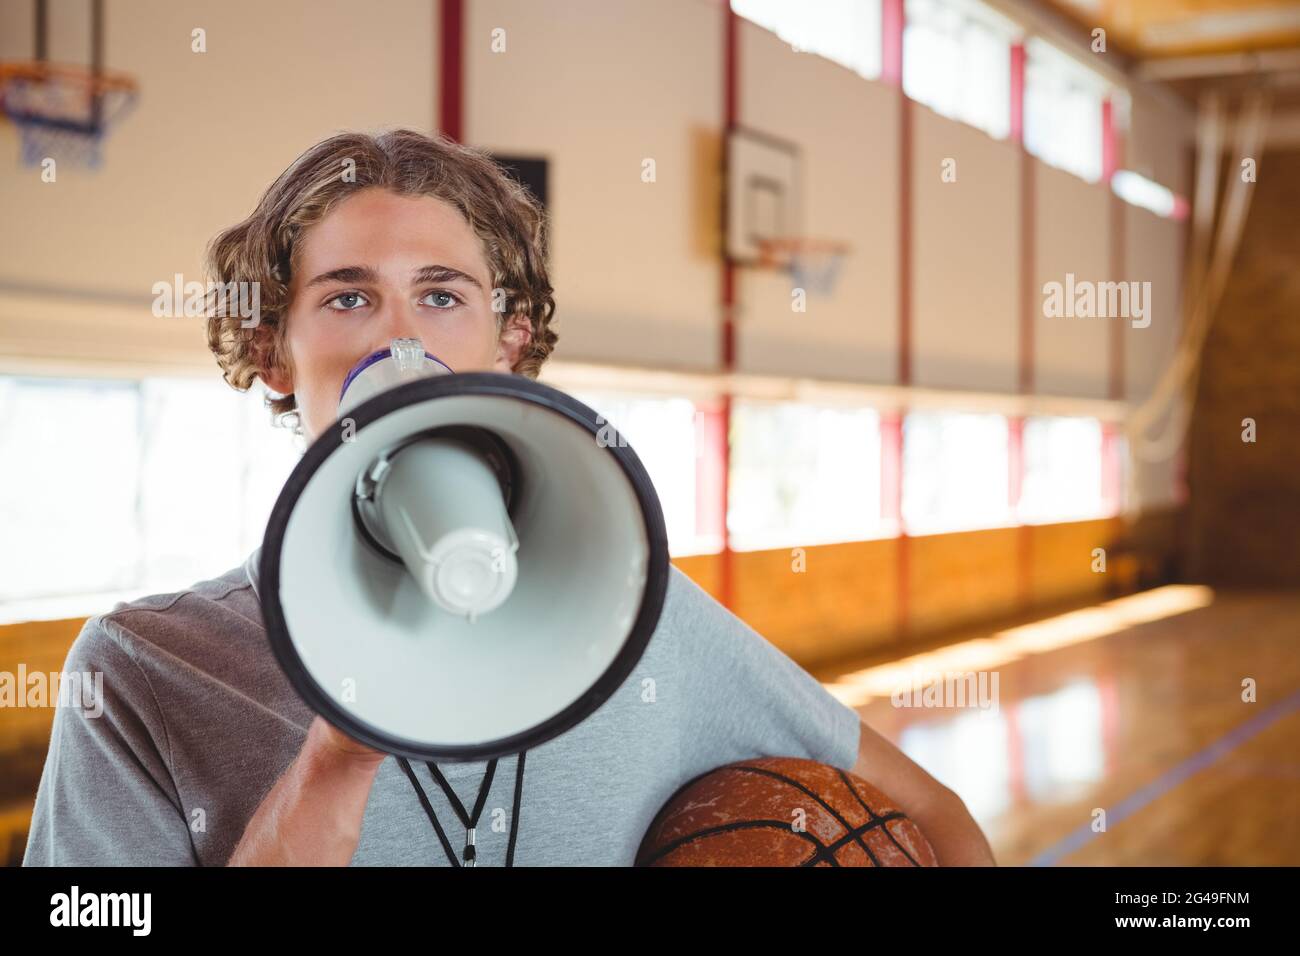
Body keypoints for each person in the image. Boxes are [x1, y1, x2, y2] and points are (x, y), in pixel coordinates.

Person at [23, 129, 994, 867]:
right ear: (273, 345)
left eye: (443, 295)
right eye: (347, 296)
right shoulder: (145, 670)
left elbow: (937, 814)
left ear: (510, 341)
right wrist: (333, 766)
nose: (398, 338)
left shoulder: (635, 617)